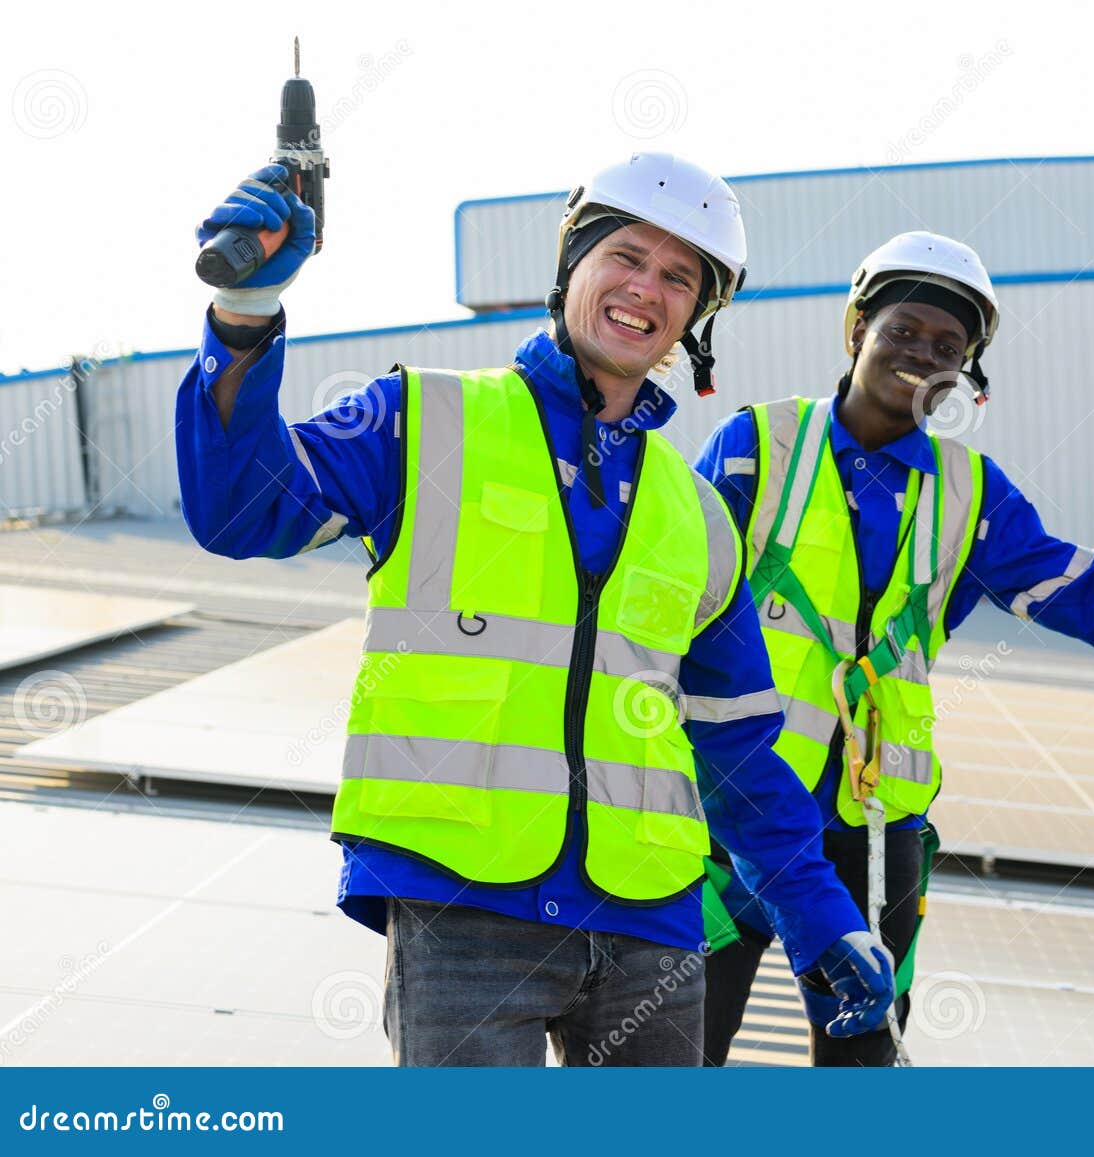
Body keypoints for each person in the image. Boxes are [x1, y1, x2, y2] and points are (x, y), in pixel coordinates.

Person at [176, 153, 895, 1066]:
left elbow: (738, 747)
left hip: (655, 926)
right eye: (628, 256)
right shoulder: (422, 420)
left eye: (681, 277)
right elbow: (244, 508)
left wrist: (822, 916)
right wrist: (245, 317)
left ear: (698, 317)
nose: (648, 289)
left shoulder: (701, 514)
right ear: (572, 264)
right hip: (466, 912)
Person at [694, 231, 1094, 1065]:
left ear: (966, 373)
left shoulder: (971, 493)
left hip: (873, 829)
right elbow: (663, 601)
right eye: (904, 331)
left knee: (862, 1069)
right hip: (728, 811)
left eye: (948, 348)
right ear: (856, 331)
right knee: (676, 1046)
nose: (923, 355)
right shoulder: (757, 447)